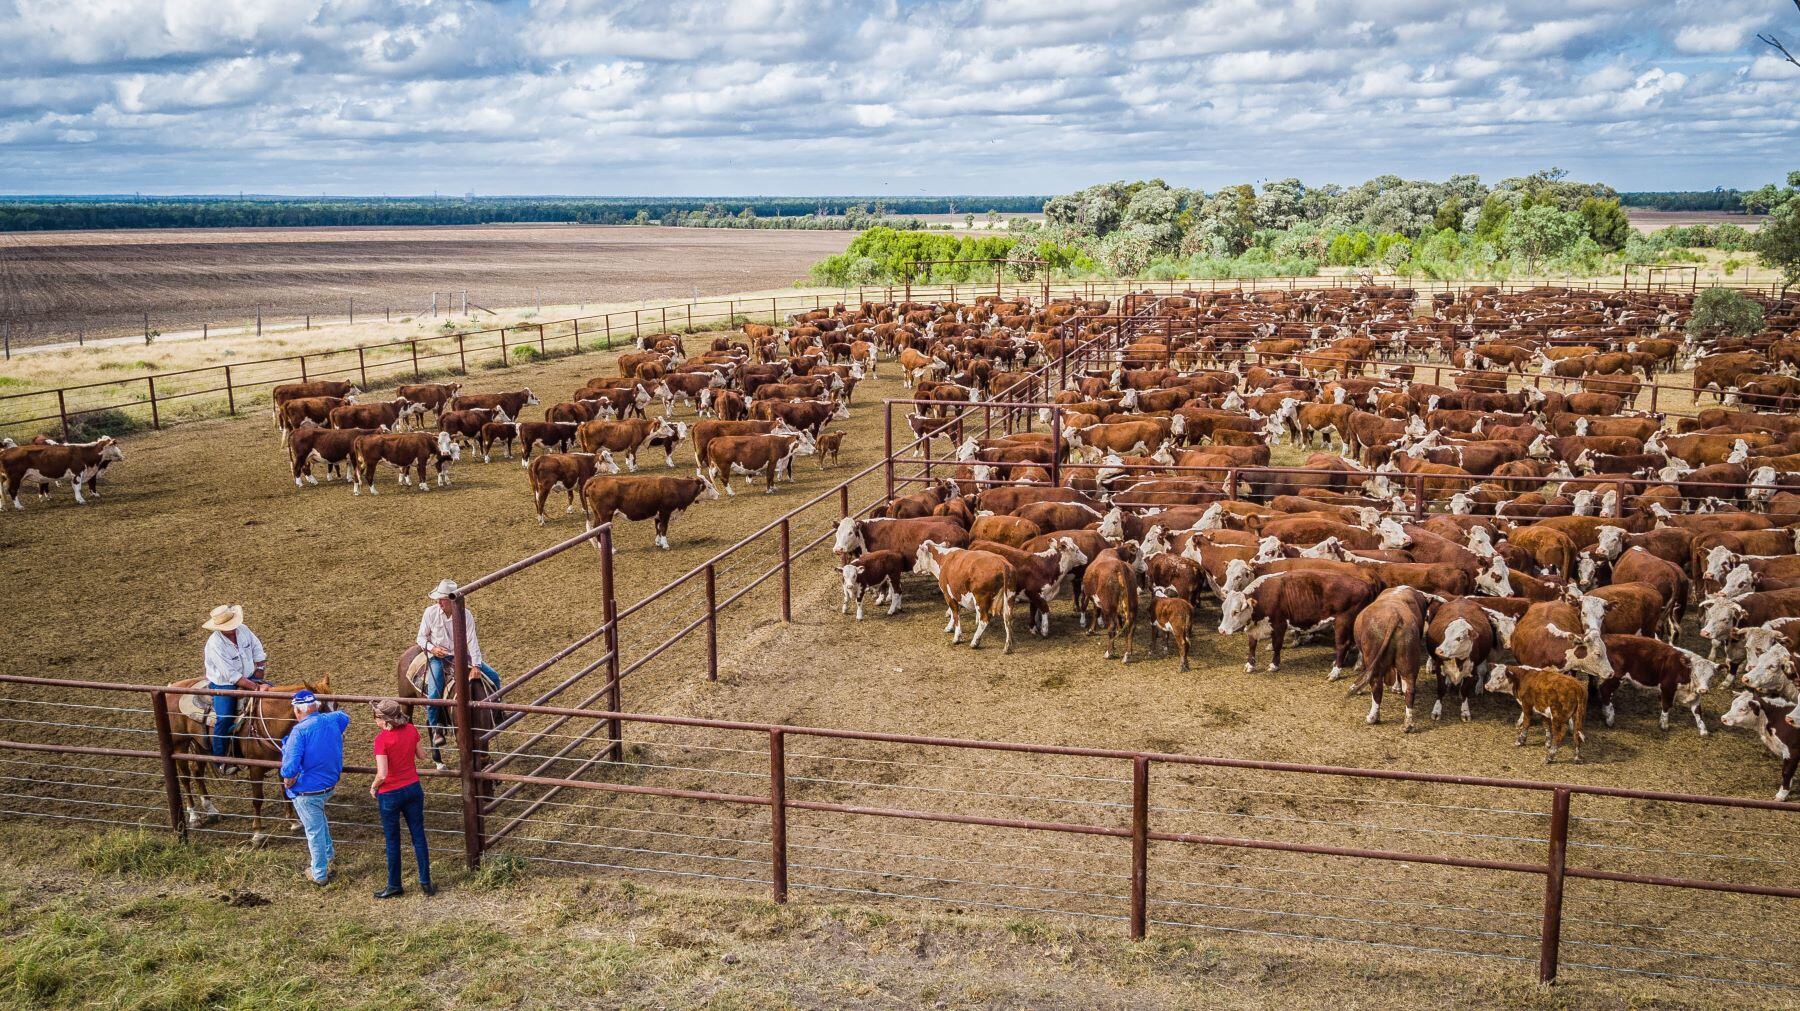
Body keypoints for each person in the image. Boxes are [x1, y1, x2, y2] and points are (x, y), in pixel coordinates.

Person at [280, 689, 350, 886]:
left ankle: (319, 873)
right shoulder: (333, 719)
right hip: (329, 784)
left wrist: (288, 779)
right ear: (317, 706)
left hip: (307, 790)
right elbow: (344, 717)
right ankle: (329, 855)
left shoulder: (299, 731)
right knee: (319, 821)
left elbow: (290, 768)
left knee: (314, 831)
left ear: (298, 711)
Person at [369, 699, 434, 899]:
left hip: (390, 793)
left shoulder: (381, 740)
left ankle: (395, 884)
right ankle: (426, 882)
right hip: (413, 788)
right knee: (418, 836)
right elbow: (422, 755)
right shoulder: (411, 730)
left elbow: (382, 774)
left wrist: (374, 787)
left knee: (393, 840)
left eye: (377, 718)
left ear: (385, 719)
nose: (375, 722)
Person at [416, 580, 501, 732]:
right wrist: (433, 649)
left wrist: (476, 665)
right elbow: (421, 638)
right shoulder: (430, 613)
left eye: (443, 599)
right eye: (439, 599)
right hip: (439, 658)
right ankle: (435, 728)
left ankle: (498, 713)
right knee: (434, 694)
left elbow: (472, 640)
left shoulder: (466, 615)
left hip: (461, 655)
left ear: (452, 600)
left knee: (494, 677)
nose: (439, 602)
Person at [200, 604, 267, 772]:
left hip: (249, 676)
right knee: (225, 717)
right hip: (224, 683)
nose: (232, 628)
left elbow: (257, 647)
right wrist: (255, 687)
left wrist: (260, 669)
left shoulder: (243, 629)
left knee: (274, 699)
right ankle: (220, 759)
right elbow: (230, 675)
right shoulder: (215, 644)